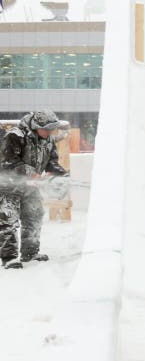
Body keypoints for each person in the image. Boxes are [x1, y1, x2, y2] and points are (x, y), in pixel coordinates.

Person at [0, 110, 68, 269]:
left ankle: (30, 253)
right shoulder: (15, 136)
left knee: (34, 216)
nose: (50, 132)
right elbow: (7, 162)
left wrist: (60, 173)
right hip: (8, 186)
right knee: (8, 220)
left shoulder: (48, 139)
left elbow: (52, 161)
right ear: (36, 126)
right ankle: (8, 258)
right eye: (47, 129)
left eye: (53, 129)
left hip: (30, 187)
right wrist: (32, 173)